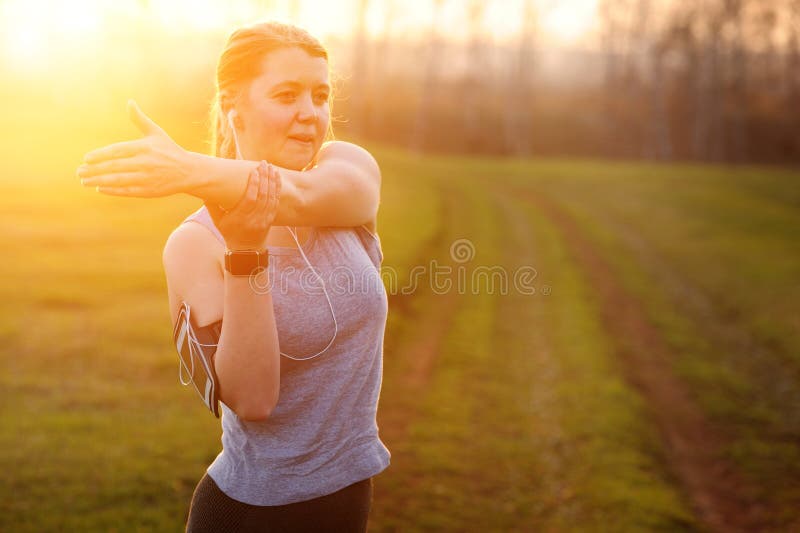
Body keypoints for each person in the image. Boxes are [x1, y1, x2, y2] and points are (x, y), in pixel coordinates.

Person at [77, 21, 390, 532]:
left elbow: (302, 198)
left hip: (348, 501)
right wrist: (246, 252)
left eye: (320, 94)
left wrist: (188, 169)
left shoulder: (347, 174)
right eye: (287, 95)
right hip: (251, 513)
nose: (310, 114)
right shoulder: (196, 245)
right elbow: (253, 399)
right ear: (233, 107)